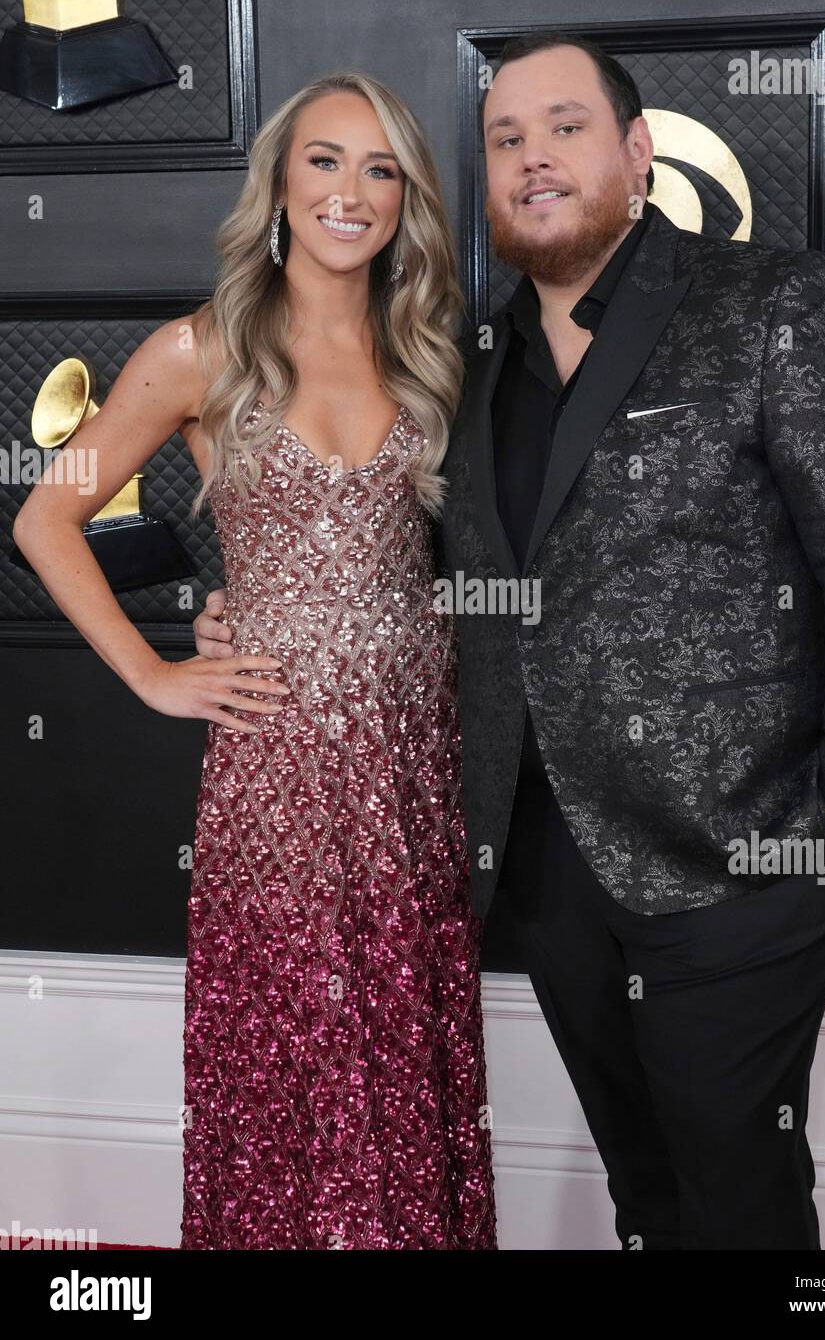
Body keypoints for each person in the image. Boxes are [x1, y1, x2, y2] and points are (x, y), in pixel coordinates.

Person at [193, 34, 825, 1250]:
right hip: (543, 871)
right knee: (641, 1186)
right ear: (484, 182)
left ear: (636, 153)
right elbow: (420, 571)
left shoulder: (768, 302)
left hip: (740, 856)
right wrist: (237, 607)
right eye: (505, 139)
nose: (534, 158)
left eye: (565, 128)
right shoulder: (467, 362)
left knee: (735, 1192)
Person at [13, 73, 497, 1251]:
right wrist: (156, 672)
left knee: (399, 1062)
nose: (352, 191)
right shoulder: (200, 350)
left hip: (405, 774)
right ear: (280, 181)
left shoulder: (426, 351)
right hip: (274, 780)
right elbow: (43, 520)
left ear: (405, 202)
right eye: (325, 160)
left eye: (380, 170)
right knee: (287, 1073)